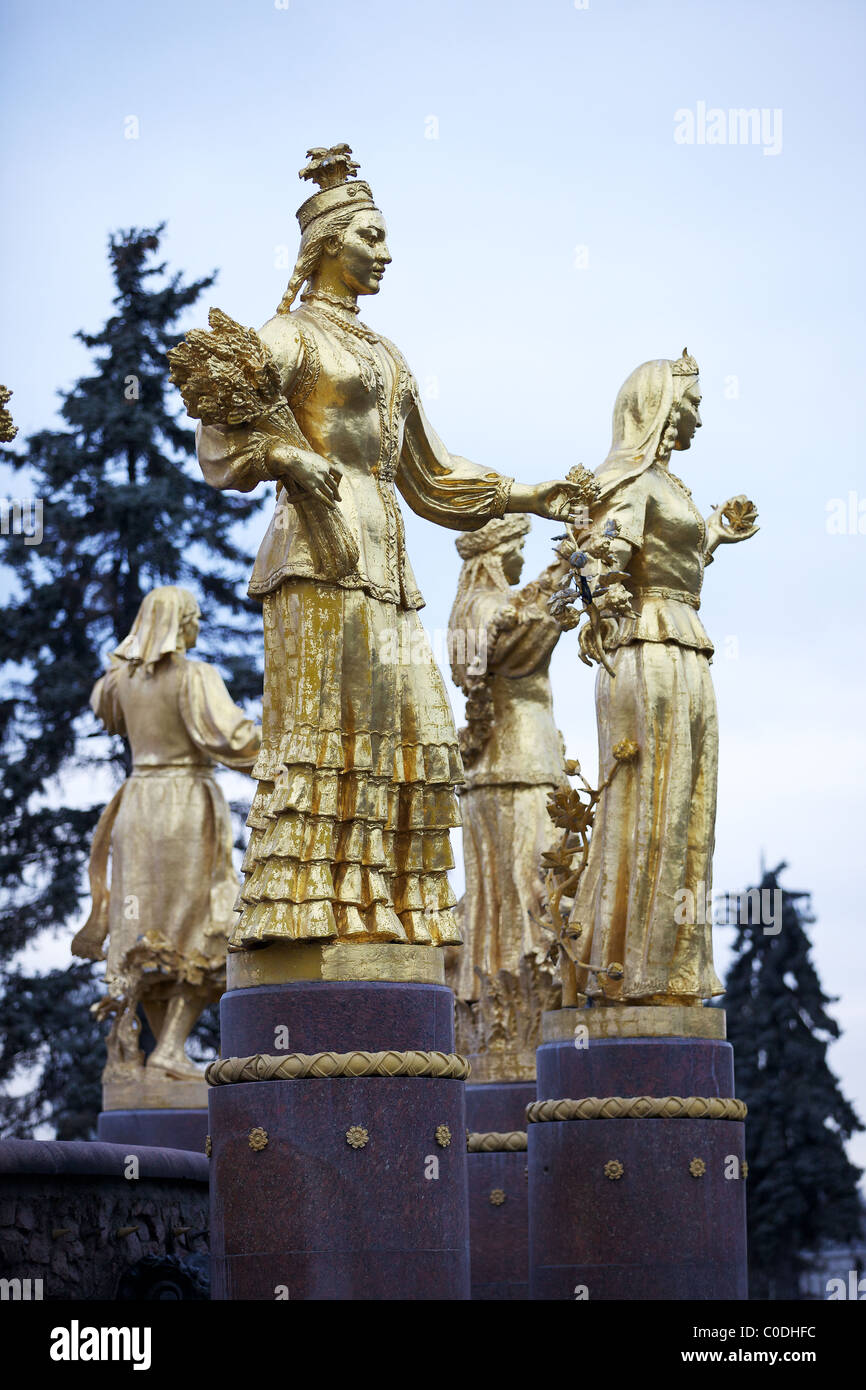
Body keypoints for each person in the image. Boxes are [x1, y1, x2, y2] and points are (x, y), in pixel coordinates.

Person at [196, 144, 579, 952]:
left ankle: (384, 915)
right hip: (316, 550)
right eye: (371, 235)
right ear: (328, 243)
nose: (387, 252)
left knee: (407, 731)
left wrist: (531, 492)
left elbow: (433, 477)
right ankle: (306, 910)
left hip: (387, 562)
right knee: (325, 724)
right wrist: (292, 457)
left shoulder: (387, 354)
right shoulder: (286, 335)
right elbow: (221, 441)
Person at [566, 350, 758, 1005]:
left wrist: (712, 536)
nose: (700, 415)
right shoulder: (627, 479)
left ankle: (675, 970)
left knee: (688, 810)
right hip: (649, 653)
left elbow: (662, 556)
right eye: (693, 402)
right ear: (659, 406)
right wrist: (604, 609)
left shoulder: (667, 485)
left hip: (684, 648)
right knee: (655, 805)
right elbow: (600, 564)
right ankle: (634, 970)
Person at [72, 586, 260, 1078]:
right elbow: (232, 739)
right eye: (194, 618)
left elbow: (105, 699)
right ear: (181, 624)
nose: (198, 627)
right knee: (203, 923)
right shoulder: (194, 677)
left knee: (147, 929)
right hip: (182, 807)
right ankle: (170, 1050)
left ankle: (156, 1054)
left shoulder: (118, 684)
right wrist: (288, 748)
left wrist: (134, 644)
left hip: (136, 806)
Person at [446, 515, 567, 1003]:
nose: (522, 557)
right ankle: (513, 1004)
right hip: (514, 765)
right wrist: (568, 574)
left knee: (531, 883)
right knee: (524, 886)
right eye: (518, 547)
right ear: (497, 555)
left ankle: (520, 993)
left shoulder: (485, 608)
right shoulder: (485, 609)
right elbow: (522, 643)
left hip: (519, 762)